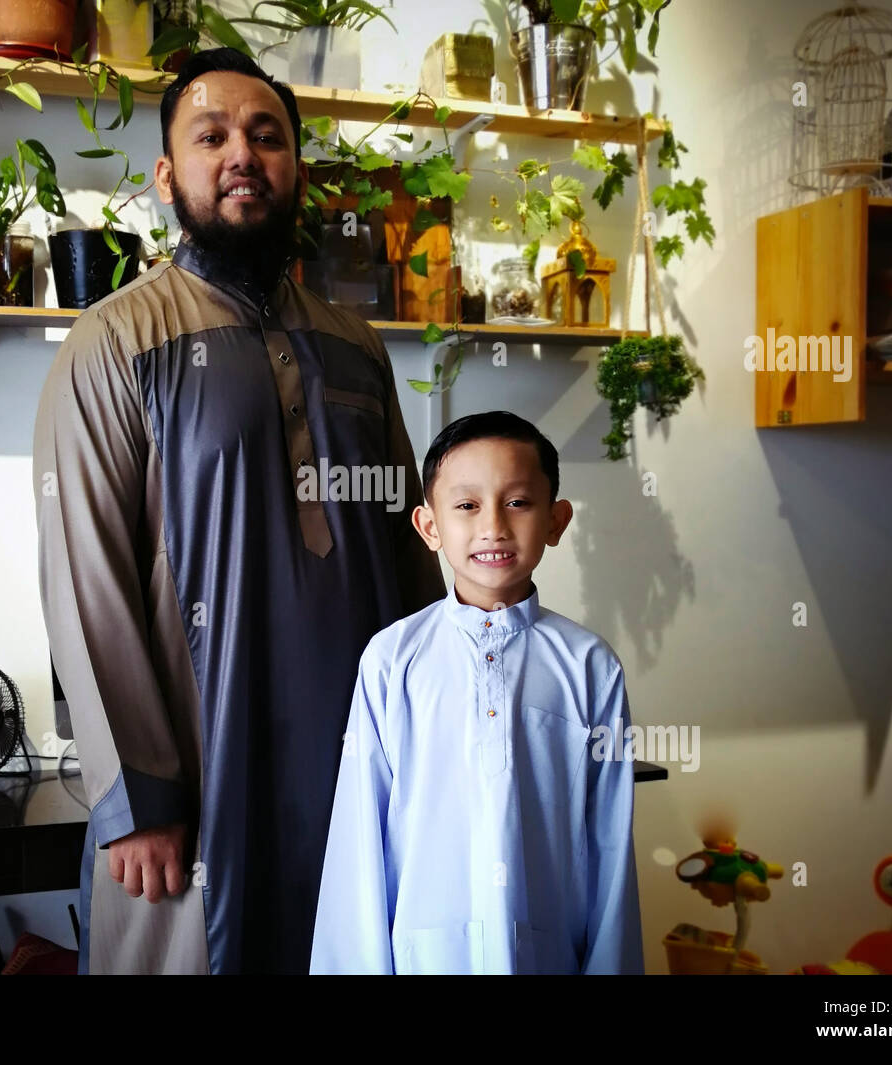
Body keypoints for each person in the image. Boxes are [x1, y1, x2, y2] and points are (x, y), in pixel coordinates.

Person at [32, 47, 444, 974]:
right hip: (202, 775)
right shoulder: (115, 340)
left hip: (358, 766)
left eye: (267, 136)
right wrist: (140, 798)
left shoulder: (356, 345)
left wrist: (438, 724)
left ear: (296, 167)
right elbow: (83, 578)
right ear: (167, 175)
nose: (242, 155)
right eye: (211, 136)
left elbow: (409, 549)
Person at [309, 411, 645, 974]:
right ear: (429, 526)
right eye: (466, 505)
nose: (493, 526)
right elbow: (359, 839)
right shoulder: (393, 660)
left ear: (557, 521)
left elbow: (610, 847)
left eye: (517, 502)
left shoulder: (589, 666)